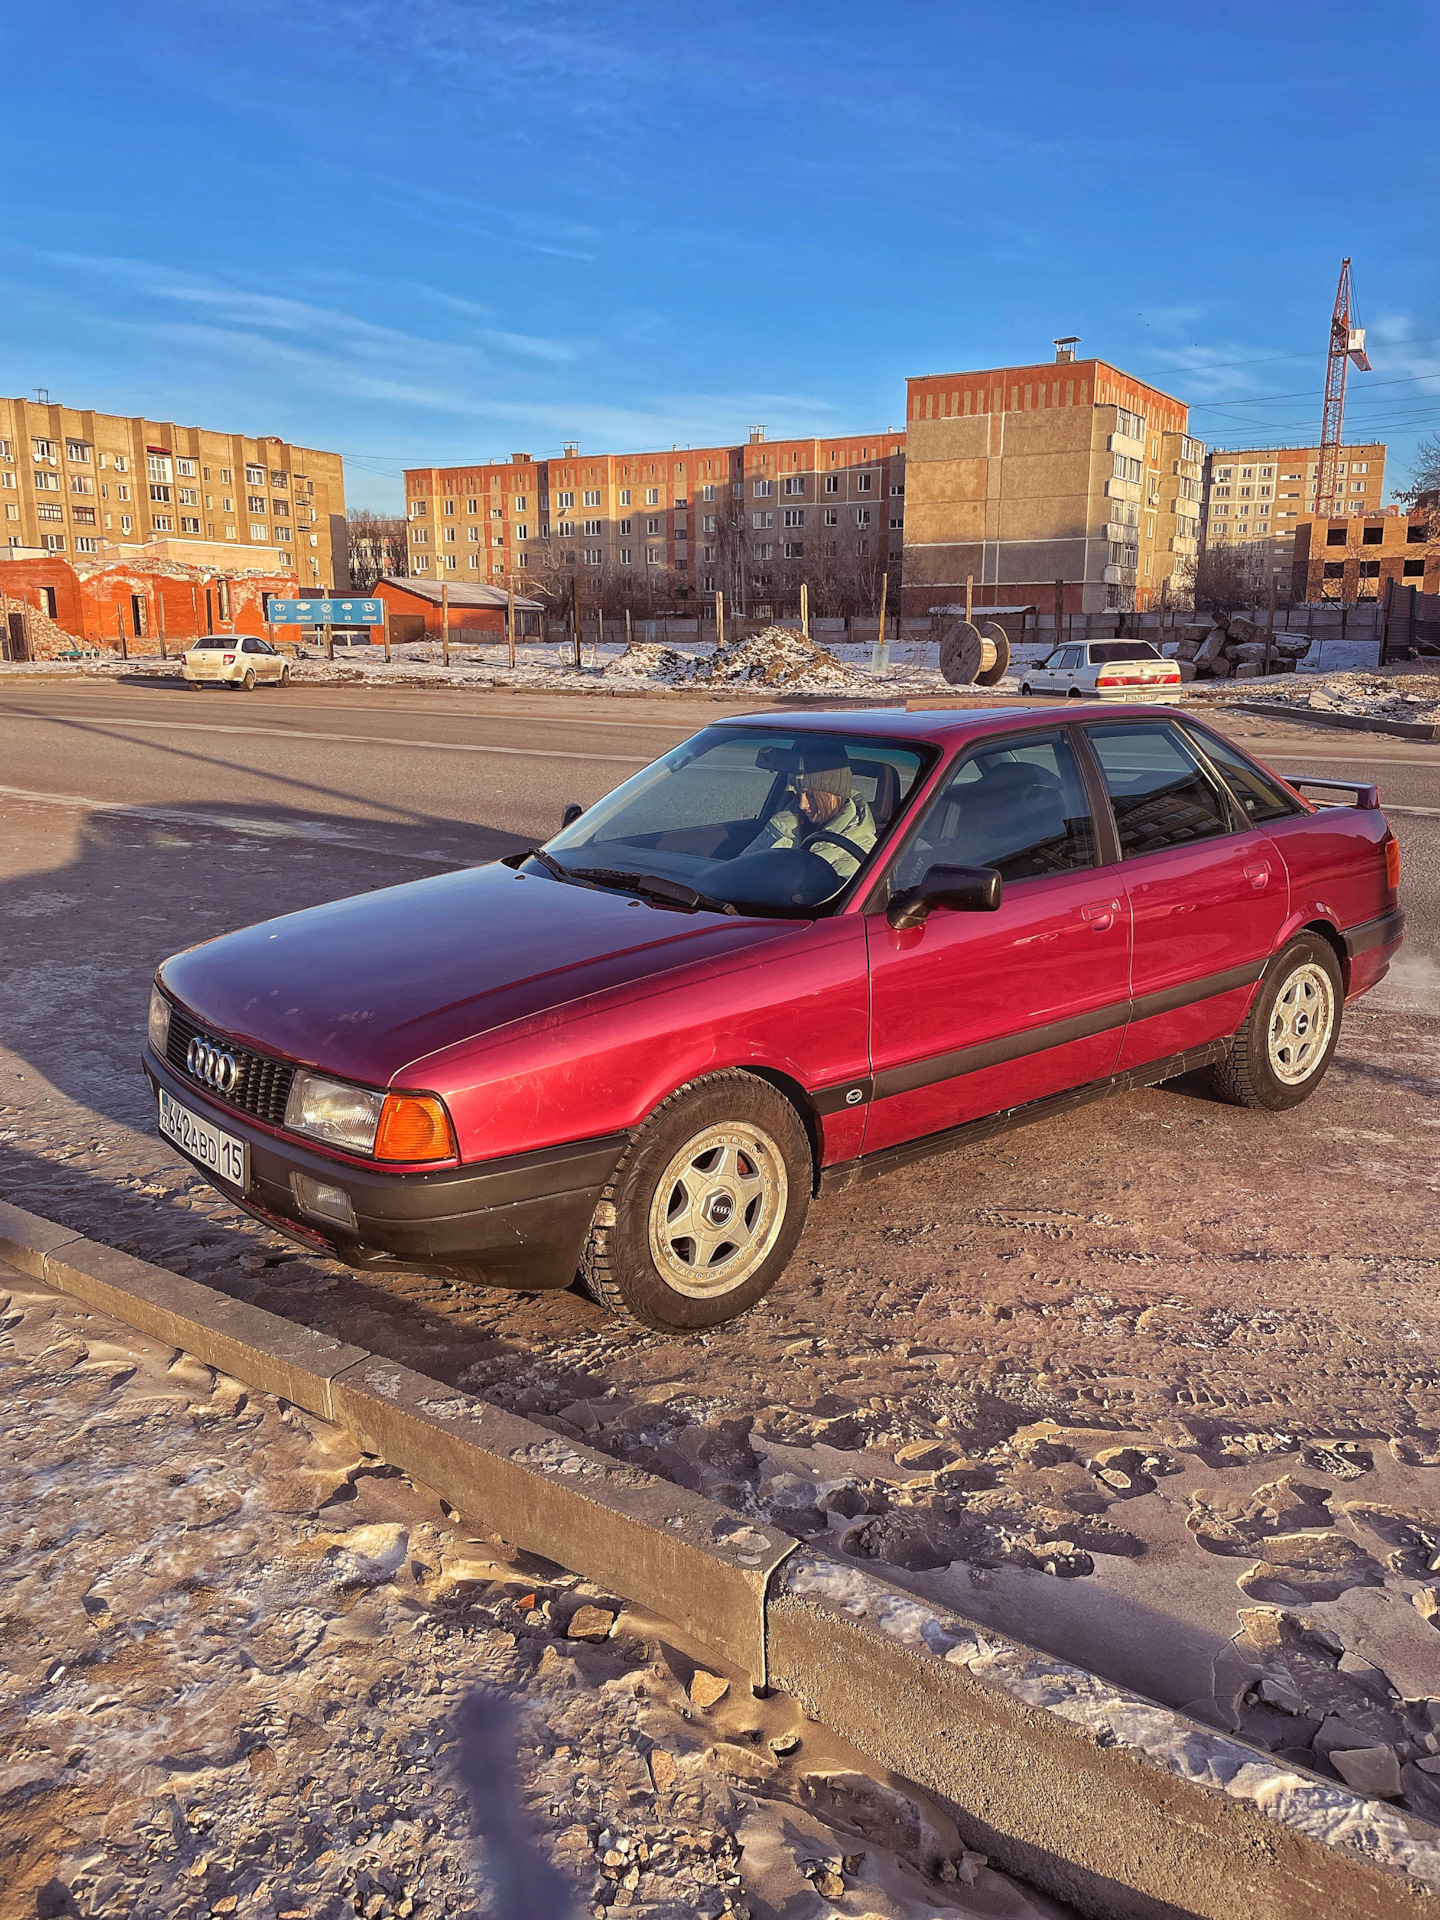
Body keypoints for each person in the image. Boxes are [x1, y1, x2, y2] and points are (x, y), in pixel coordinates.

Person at [753, 741, 877, 881]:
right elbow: (741, 867)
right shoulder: (782, 824)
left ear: (835, 794)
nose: (802, 805)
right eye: (799, 794)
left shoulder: (859, 850)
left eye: (811, 795)